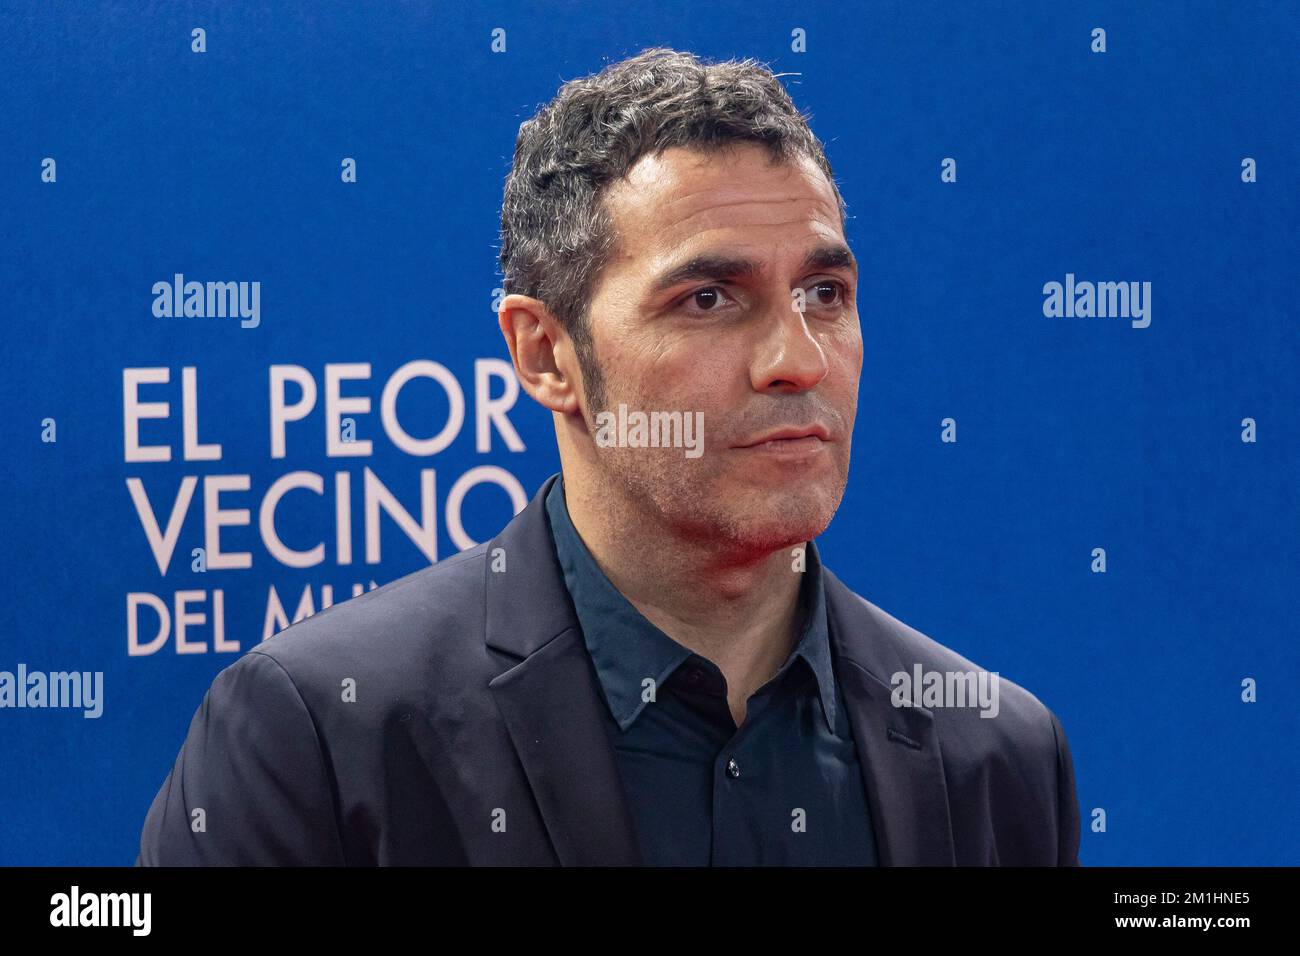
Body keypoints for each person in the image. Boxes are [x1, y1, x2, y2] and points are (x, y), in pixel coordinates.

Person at [136, 46, 1081, 866]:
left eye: (825, 292)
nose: (798, 359)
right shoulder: (318, 736)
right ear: (547, 356)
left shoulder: (996, 752)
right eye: (710, 299)